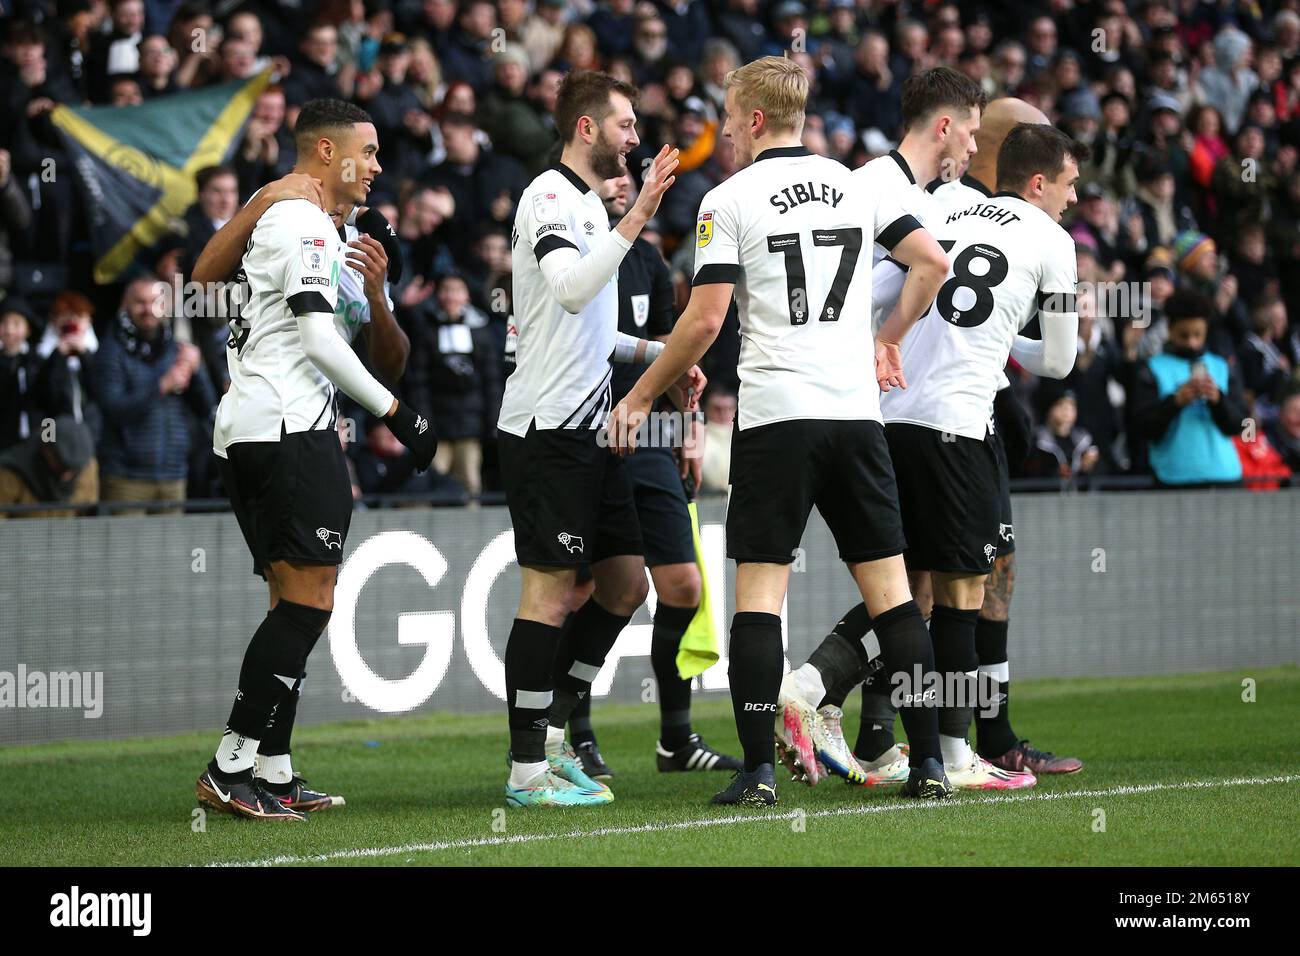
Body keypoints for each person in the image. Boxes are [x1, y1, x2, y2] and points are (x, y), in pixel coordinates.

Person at [610, 56, 952, 806]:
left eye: (730, 117)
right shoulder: (857, 186)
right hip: (856, 416)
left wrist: (639, 397)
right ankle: (927, 765)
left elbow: (704, 320)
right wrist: (886, 336)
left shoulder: (726, 199)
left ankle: (759, 772)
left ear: (756, 119)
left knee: (758, 600)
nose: (725, 131)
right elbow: (929, 262)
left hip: (778, 421)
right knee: (895, 598)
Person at [194, 99, 436, 822]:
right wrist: (397, 415)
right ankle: (229, 762)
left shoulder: (325, 230)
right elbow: (322, 344)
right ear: (327, 153)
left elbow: (376, 351)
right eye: (369, 150)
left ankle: (272, 766)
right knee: (309, 601)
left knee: (290, 600)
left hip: (264, 425)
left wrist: (378, 292)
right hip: (286, 427)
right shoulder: (297, 218)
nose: (380, 165)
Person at [497, 69, 698, 809]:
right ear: (586, 129)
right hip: (548, 428)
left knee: (624, 584)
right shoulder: (549, 196)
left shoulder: (584, 203)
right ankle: (526, 770)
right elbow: (572, 288)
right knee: (550, 596)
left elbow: (590, 328)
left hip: (595, 427)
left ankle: (553, 729)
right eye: (625, 125)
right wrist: (639, 213)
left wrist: (662, 361)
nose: (636, 138)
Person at [566, 174, 742, 781]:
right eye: (611, 173)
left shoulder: (648, 259)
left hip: (649, 438)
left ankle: (675, 739)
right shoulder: (573, 251)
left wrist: (689, 424)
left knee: (684, 586)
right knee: (588, 591)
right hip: (584, 437)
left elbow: (674, 343)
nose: (621, 182)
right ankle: (576, 731)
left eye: (628, 174)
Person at [93, 278, 216, 514]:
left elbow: (207, 408)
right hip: (125, 478)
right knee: (126, 551)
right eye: (140, 302)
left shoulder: (177, 350)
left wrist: (197, 370)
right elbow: (113, 409)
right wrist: (161, 385)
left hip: (173, 474)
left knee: (170, 551)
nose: (148, 309)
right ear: (125, 305)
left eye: (155, 302)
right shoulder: (110, 351)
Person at [1130, 290, 1246, 488]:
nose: (1192, 342)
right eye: (1184, 335)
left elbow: (1244, 426)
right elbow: (1143, 428)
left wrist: (1218, 401)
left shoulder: (1222, 367)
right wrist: (1175, 402)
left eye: (1198, 334)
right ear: (1170, 328)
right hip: (1174, 478)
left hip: (1225, 475)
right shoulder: (1151, 369)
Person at [0, 415, 98, 518]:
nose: (66, 476)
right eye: (61, 465)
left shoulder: (87, 467)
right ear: (47, 450)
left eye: (73, 469)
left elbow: (88, 513)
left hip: (68, 532)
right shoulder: (11, 473)